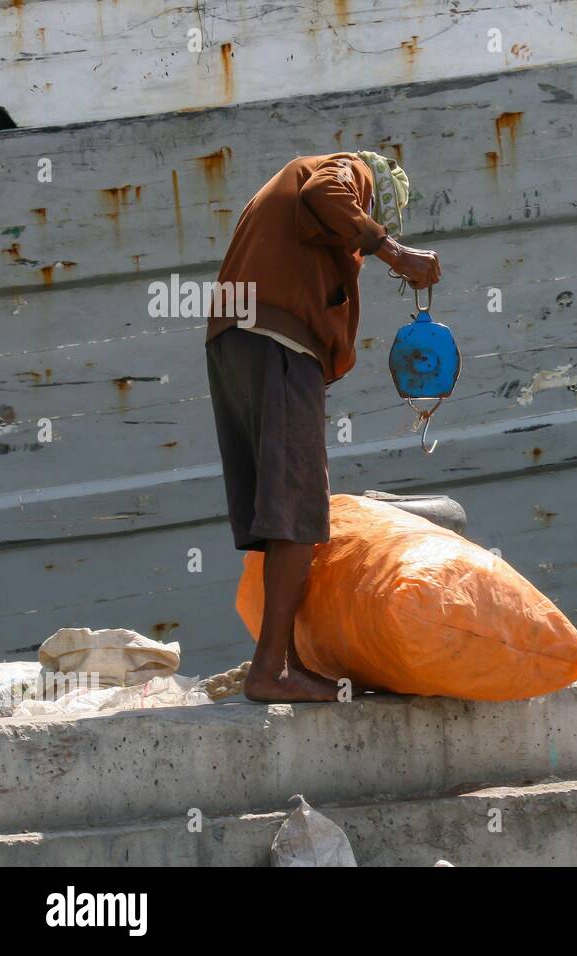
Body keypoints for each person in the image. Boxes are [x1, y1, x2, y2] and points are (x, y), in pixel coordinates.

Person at [204, 152, 442, 702]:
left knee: (277, 509)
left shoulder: (274, 196)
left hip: (235, 343)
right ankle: (271, 671)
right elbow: (328, 197)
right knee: (297, 508)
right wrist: (395, 251)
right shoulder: (344, 169)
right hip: (277, 340)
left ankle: (285, 660)